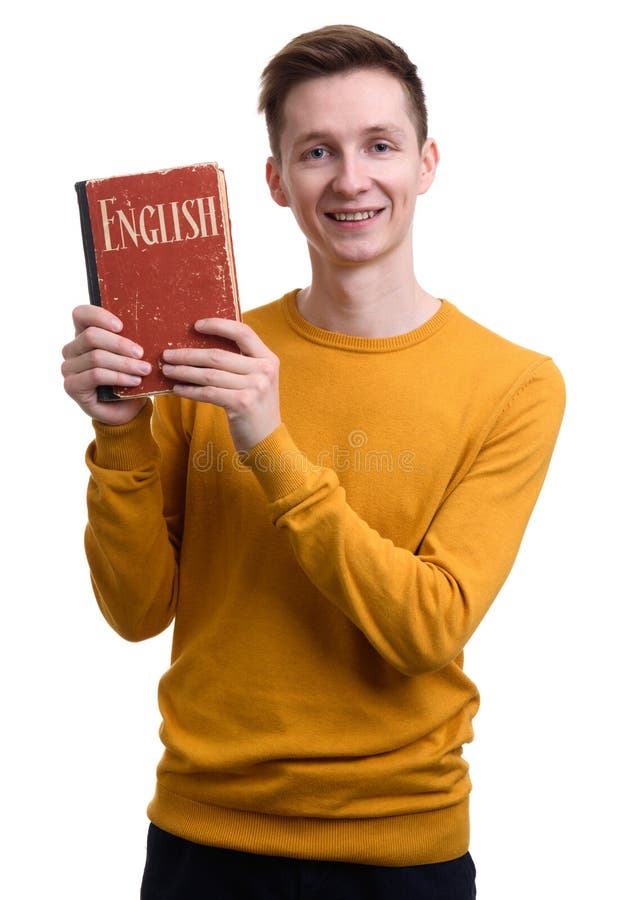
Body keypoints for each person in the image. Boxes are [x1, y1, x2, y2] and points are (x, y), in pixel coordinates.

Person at [62, 24, 564, 900]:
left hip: (402, 853)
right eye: (317, 151)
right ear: (276, 180)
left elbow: (428, 628)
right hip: (201, 839)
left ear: (426, 163)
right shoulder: (204, 353)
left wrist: (268, 443)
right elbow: (136, 613)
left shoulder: (514, 384)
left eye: (380, 145)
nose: (350, 179)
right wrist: (121, 433)